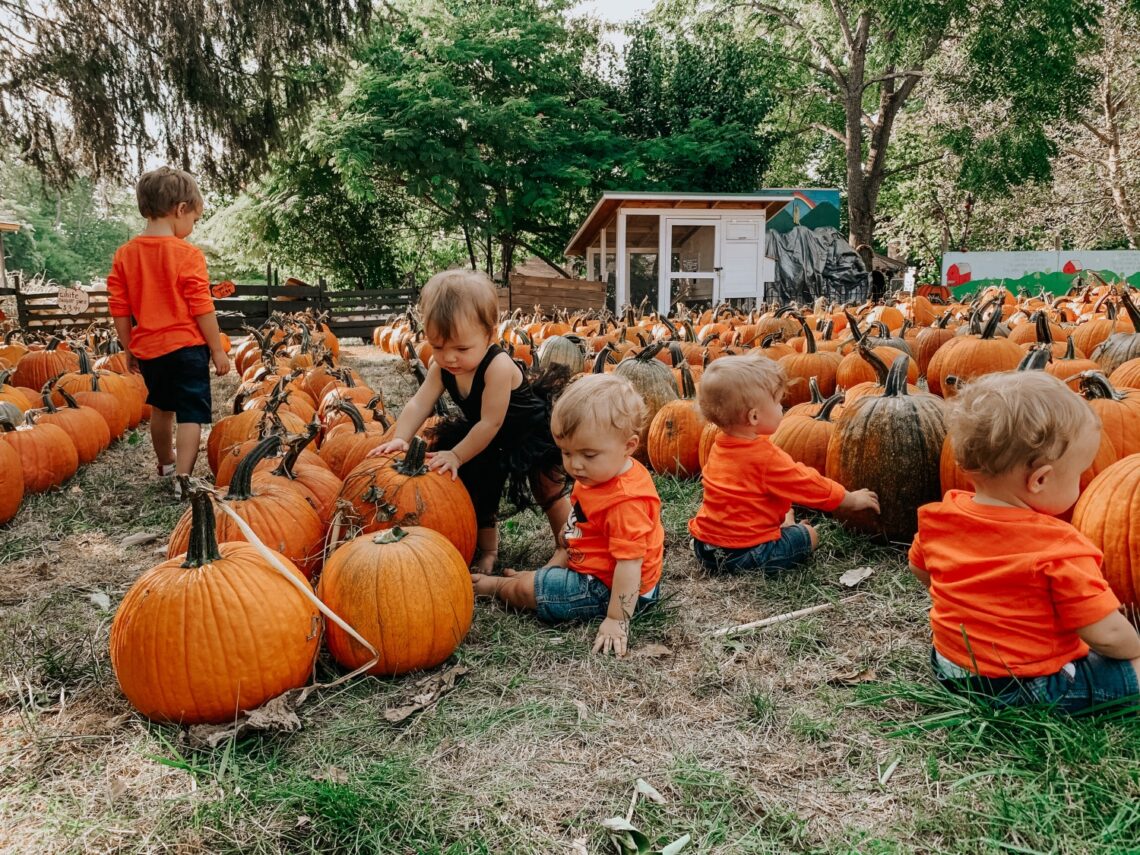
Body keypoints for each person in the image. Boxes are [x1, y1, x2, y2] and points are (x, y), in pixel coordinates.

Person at [909, 372, 1140, 713]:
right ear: (1040, 480)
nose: (1081, 483)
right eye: (1078, 474)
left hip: (951, 670)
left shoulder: (940, 517)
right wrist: (1134, 649)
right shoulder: (1058, 547)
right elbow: (1106, 634)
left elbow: (920, 568)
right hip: (1023, 688)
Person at [368, 270, 570, 573]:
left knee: (547, 490)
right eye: (438, 346)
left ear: (489, 335)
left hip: (524, 432)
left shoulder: (497, 366)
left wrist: (457, 454)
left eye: (461, 348)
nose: (449, 357)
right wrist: (401, 437)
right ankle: (488, 551)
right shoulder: (441, 367)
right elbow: (419, 403)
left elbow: (491, 423)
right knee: (479, 486)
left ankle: (566, 544)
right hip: (483, 434)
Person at [471, 373, 663, 656]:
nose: (575, 465)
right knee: (555, 561)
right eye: (566, 452)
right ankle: (539, 578)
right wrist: (570, 532)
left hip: (610, 588)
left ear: (629, 446)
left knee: (527, 591)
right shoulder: (600, 473)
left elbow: (630, 565)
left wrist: (617, 619)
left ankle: (499, 586)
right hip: (594, 562)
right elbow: (586, 515)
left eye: (588, 454)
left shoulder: (626, 502)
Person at [689, 356, 879, 573]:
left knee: (783, 507)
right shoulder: (766, 458)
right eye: (778, 402)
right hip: (747, 554)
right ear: (754, 417)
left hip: (705, 547)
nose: (782, 407)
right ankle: (792, 531)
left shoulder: (719, 447)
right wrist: (850, 499)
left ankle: (784, 524)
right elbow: (809, 484)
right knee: (809, 535)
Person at [106, 166, 230, 498]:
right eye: (195, 219)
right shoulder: (187, 254)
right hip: (187, 348)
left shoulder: (125, 255)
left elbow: (119, 308)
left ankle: (166, 465)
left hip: (151, 351)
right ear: (180, 209)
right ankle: (184, 479)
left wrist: (129, 347)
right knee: (190, 413)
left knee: (161, 409)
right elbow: (202, 306)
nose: (193, 227)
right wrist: (217, 349)